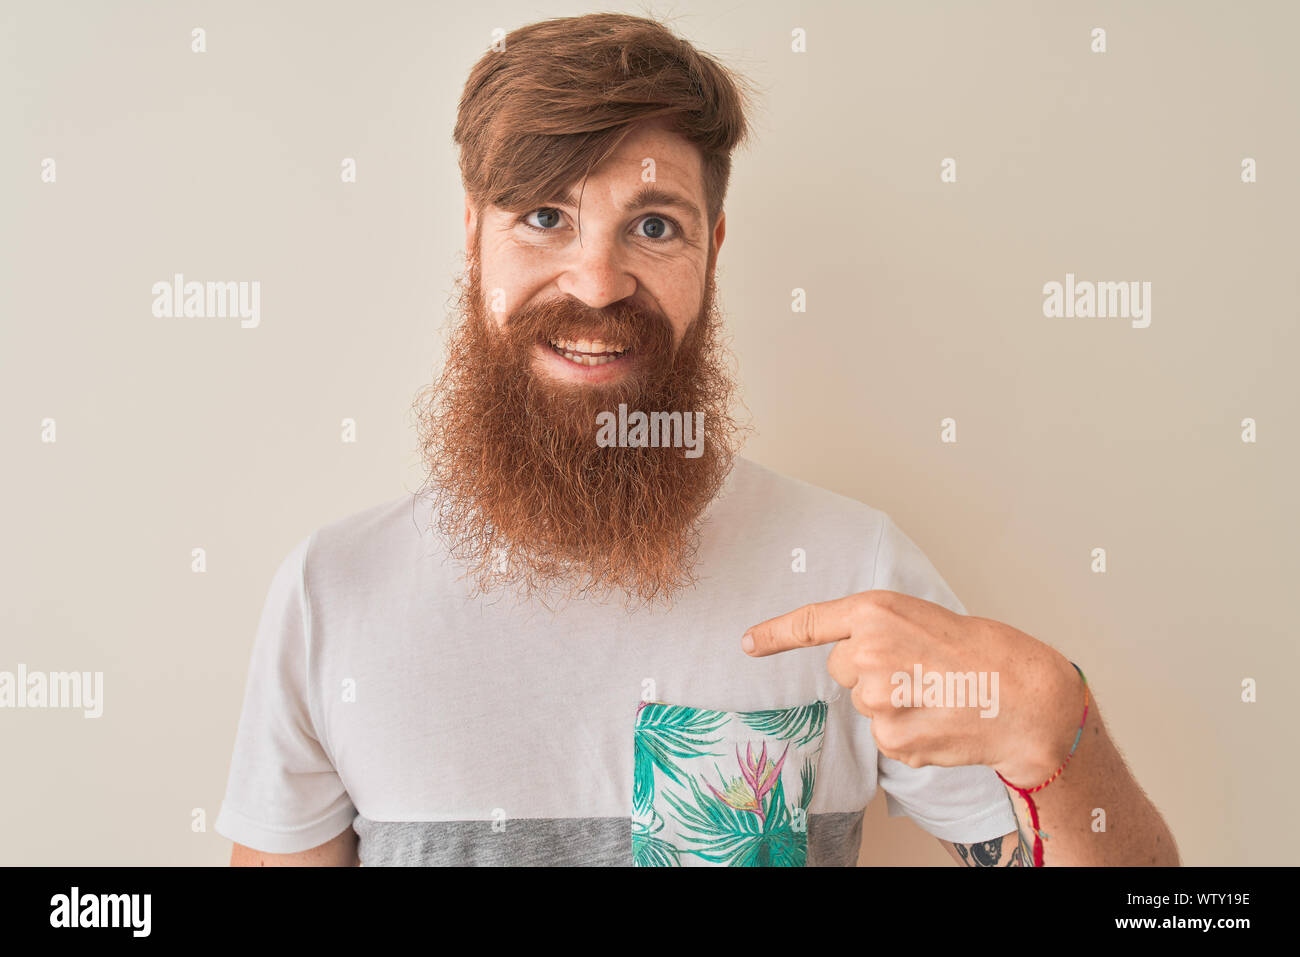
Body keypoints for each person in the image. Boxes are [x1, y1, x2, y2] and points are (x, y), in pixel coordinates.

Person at [215, 12, 1177, 867]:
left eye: (654, 225)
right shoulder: (330, 596)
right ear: (474, 240)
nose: (596, 284)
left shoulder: (851, 570)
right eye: (544, 217)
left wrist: (1060, 728)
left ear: (713, 249)